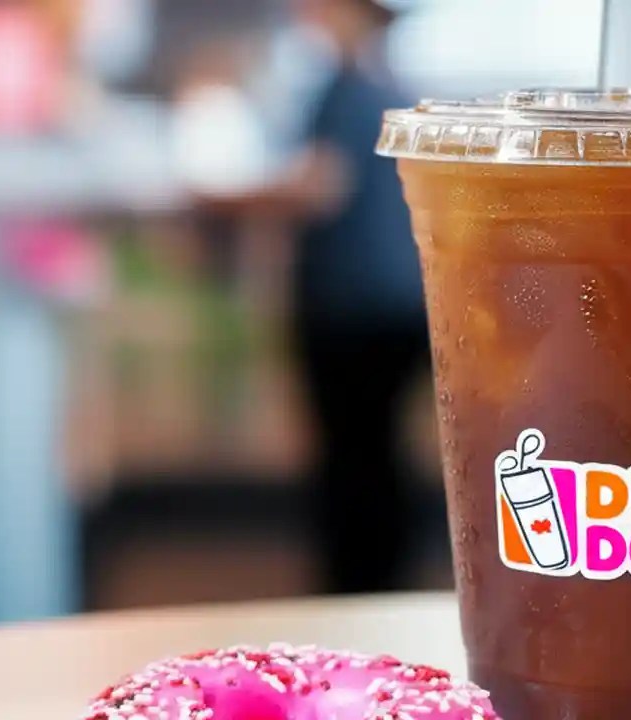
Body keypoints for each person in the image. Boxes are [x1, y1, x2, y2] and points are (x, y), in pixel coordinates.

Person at [275, 0, 427, 594]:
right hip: (395, 303)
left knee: (354, 459)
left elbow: (319, 188)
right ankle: (378, 584)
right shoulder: (391, 84)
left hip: (351, 309)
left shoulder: (346, 86)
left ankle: (358, 587)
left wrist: (224, 196)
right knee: (379, 452)